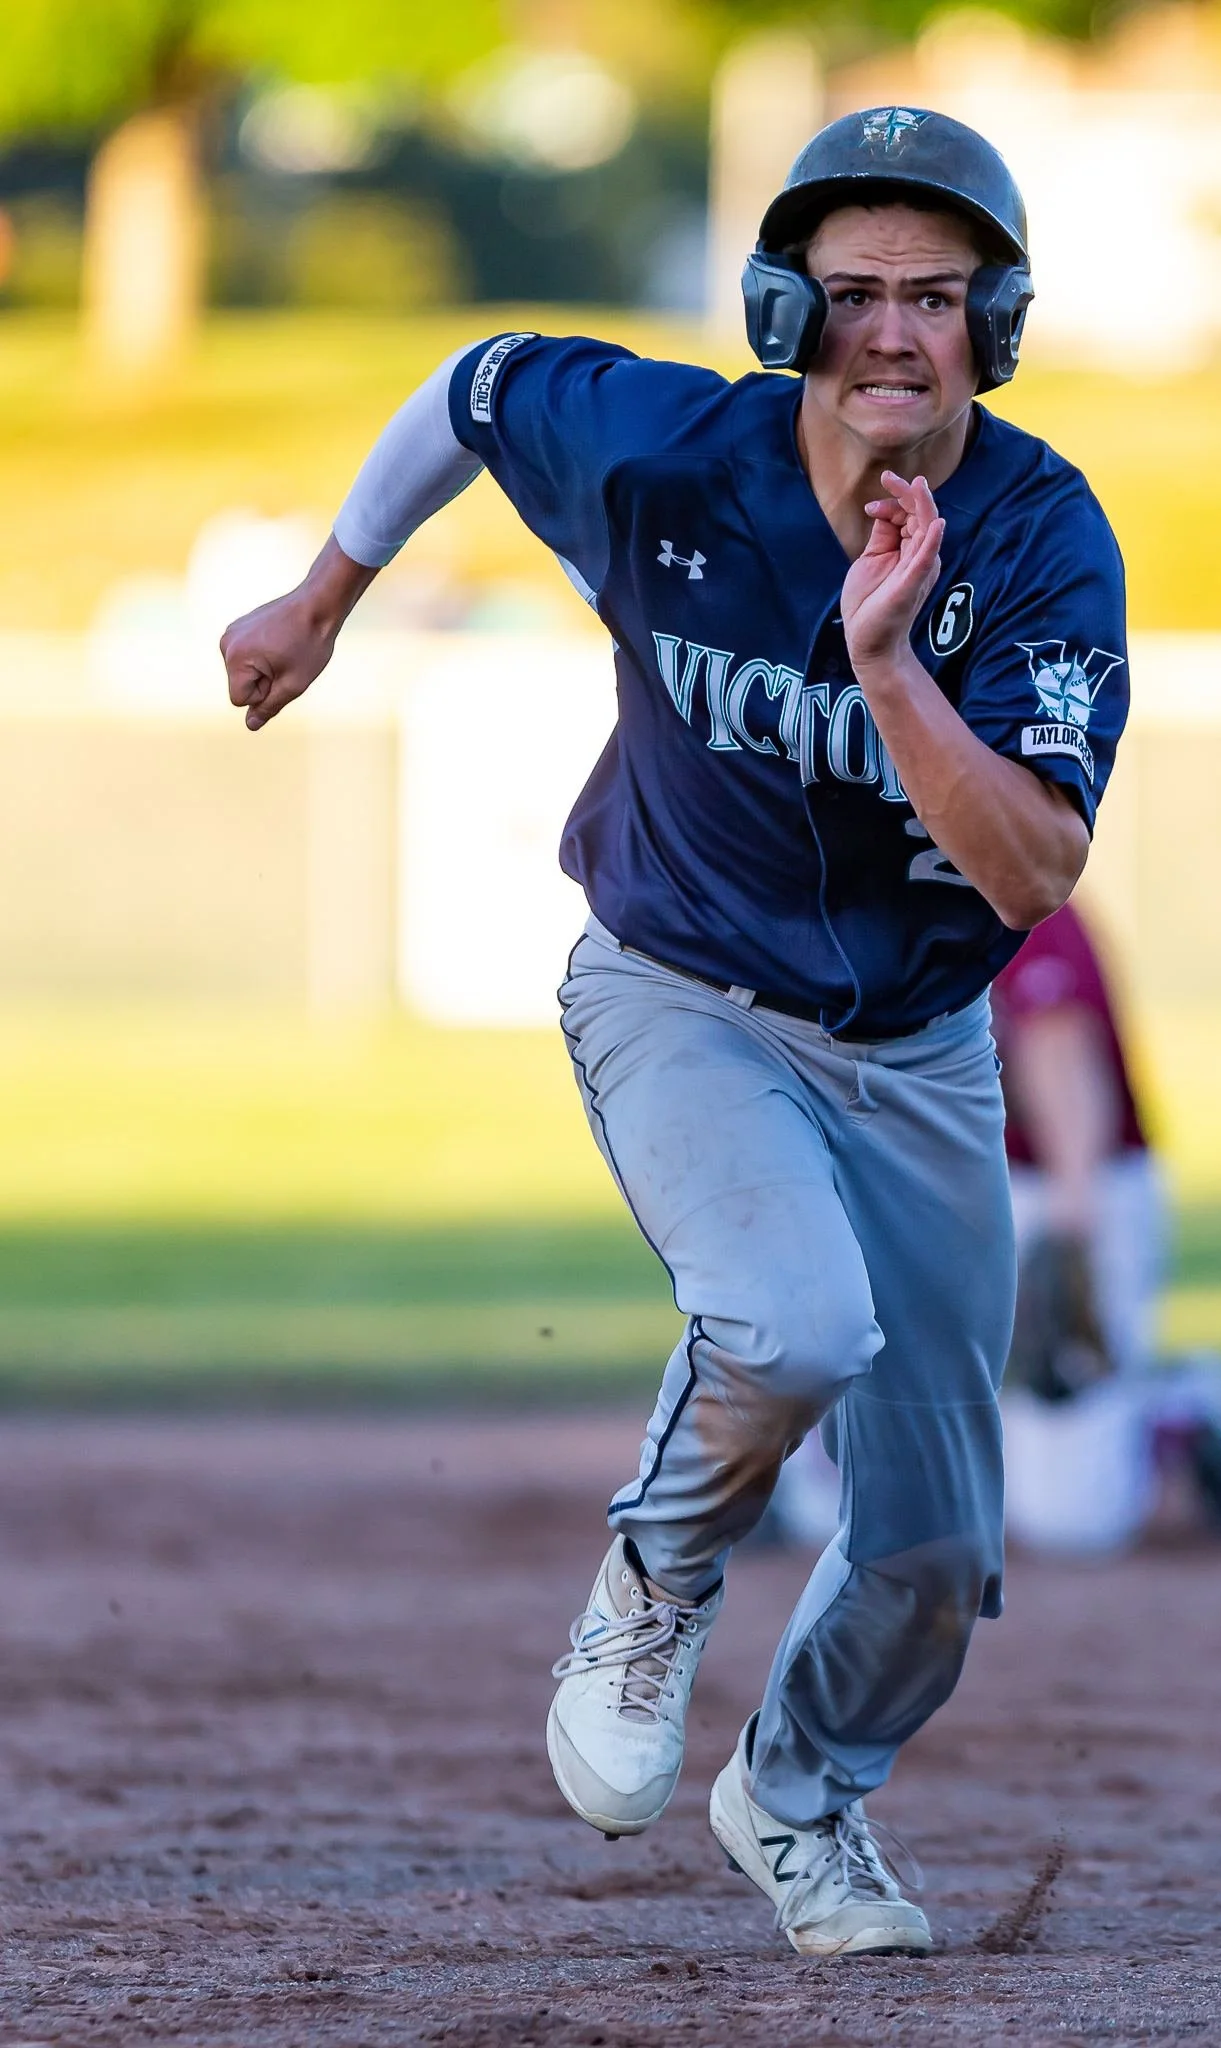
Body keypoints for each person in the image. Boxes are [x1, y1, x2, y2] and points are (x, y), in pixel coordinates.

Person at [220, 108, 1128, 1958]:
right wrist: (328, 589)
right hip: (677, 988)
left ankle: (795, 1795)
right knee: (790, 1317)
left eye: (939, 299)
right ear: (781, 309)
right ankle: (653, 1575)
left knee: (938, 1548)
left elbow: (1032, 868)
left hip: (917, 1045)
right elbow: (473, 389)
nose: (893, 333)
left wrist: (886, 667)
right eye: (854, 293)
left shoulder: (1035, 538)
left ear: (997, 324)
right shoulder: (663, 451)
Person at [993, 903, 1221, 1549]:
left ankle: (1177, 1411)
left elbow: (1058, 1047)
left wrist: (1071, 1212)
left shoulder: (1012, 881)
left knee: (1072, 1522)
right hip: (969, 1184)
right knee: (883, 1491)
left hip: (1072, 1182)